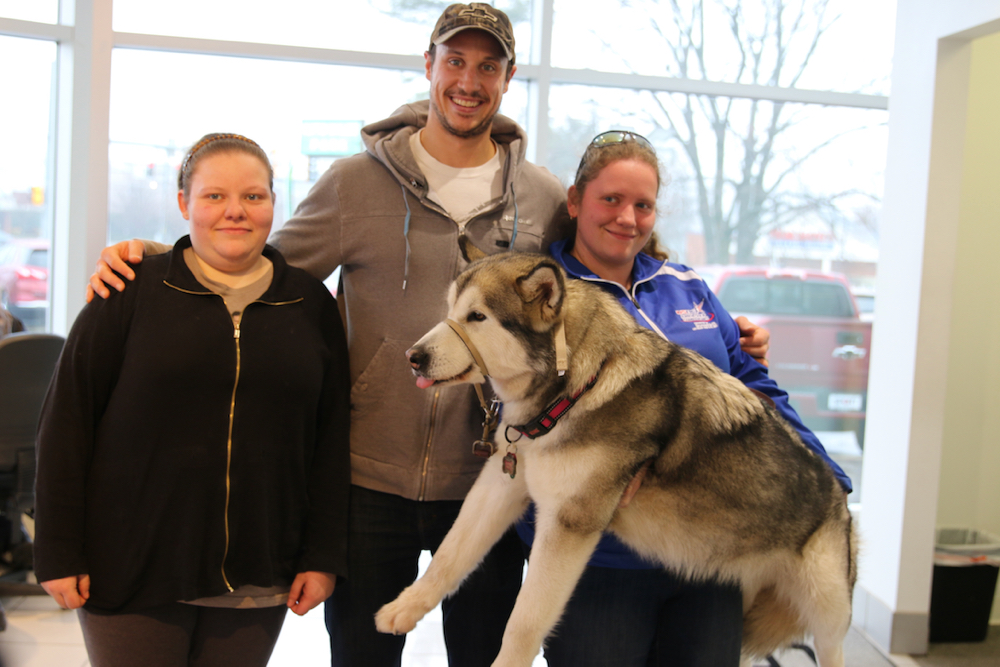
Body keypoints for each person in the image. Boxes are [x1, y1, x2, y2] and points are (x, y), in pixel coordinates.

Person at [84, 7, 769, 665]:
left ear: (508, 78)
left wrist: (724, 330)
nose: (469, 81)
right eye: (456, 61)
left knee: (479, 654)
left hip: (490, 475)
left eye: (488, 66)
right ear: (430, 65)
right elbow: (265, 265)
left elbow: (613, 256)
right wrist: (151, 257)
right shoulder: (356, 183)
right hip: (369, 477)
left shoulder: (537, 195)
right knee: (363, 652)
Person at [515, 130, 853, 667]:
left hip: (709, 554)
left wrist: (823, 474)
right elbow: (520, 425)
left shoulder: (686, 286)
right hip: (599, 562)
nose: (627, 218)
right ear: (575, 201)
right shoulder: (538, 298)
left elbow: (752, 386)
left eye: (643, 205)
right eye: (611, 199)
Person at [34, 133, 351, 667]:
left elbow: (329, 439)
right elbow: (67, 424)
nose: (235, 212)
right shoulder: (128, 291)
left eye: (254, 196)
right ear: (184, 203)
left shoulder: (309, 303)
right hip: (132, 563)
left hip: (259, 567)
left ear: (274, 203)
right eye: (213, 196)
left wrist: (322, 556)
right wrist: (58, 551)